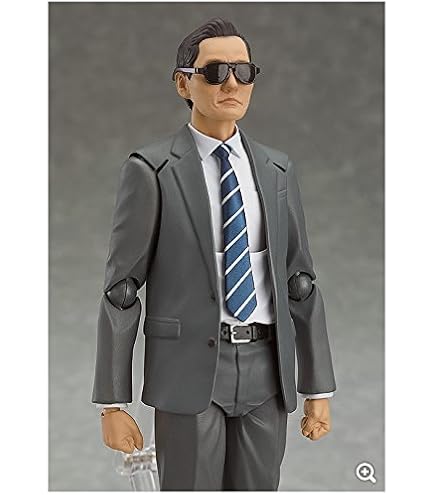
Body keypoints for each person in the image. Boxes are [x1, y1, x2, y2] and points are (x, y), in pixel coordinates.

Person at [92, 17, 336, 491]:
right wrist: (113, 404)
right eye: (214, 71)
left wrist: (317, 386)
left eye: (243, 72)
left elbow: (300, 282)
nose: (231, 84)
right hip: (188, 370)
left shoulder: (277, 169)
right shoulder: (152, 170)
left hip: (266, 369)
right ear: (183, 82)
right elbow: (121, 291)